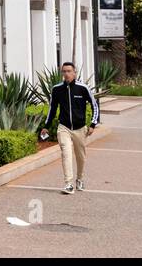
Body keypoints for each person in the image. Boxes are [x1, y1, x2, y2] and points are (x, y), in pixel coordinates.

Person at [40, 62, 100, 194]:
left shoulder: (83, 88)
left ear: (74, 73)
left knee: (80, 157)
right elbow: (52, 108)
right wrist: (46, 126)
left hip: (80, 128)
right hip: (64, 127)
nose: (66, 74)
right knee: (66, 154)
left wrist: (93, 124)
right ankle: (68, 184)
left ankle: (80, 179)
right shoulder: (56, 89)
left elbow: (94, 105)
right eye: (64, 71)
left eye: (69, 71)